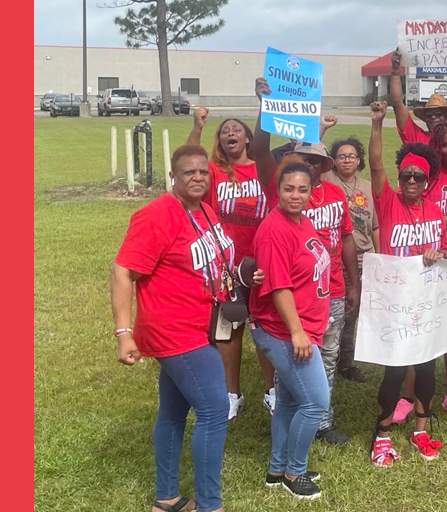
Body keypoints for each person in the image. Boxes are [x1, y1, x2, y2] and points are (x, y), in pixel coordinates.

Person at [111, 144, 240, 512]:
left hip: (202, 325)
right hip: (174, 330)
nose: (198, 177)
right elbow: (123, 271)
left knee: (172, 412)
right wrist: (123, 333)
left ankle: (166, 498)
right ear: (174, 177)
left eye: (203, 172)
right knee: (215, 411)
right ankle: (210, 505)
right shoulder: (157, 215)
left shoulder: (204, 211)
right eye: (189, 173)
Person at [252, 78, 361, 446]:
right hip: (298, 295)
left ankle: (322, 420)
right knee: (299, 363)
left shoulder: (334, 193)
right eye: (306, 159)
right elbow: (261, 151)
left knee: (327, 357)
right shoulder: (287, 194)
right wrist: (265, 106)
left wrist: (353, 282)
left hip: (333, 289)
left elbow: (346, 238)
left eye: (317, 161)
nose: (311, 167)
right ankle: (301, 415)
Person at [366, 101, 447, 466]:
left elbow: (444, 247)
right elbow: (375, 166)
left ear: (428, 180)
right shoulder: (388, 202)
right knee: (396, 368)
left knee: (429, 366)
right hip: (393, 299)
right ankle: (382, 433)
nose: (411, 182)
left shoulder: (434, 210)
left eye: (418, 177)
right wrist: (377, 123)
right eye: (406, 176)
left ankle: (420, 427)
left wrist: (438, 253)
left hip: (426, 300)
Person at [247, 160, 333, 500]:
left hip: (303, 327)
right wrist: (297, 331)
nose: (295, 195)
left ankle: (276, 467)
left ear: (311, 193)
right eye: (288, 189)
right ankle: (293, 473)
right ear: (277, 190)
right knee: (315, 404)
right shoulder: (274, 229)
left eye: (302, 189)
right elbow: (279, 286)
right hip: (283, 331)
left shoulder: (303, 220)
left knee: (287, 402)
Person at [186, 106, 277, 419]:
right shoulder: (214, 171)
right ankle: (232, 393)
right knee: (231, 328)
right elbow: (190, 160)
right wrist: (197, 126)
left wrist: (263, 103)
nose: (230, 134)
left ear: (248, 136)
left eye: (236, 129)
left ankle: (271, 390)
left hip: (262, 262)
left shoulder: (263, 169)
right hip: (227, 264)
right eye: (224, 131)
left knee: (265, 326)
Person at [322, 136, 378, 384]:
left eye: (352, 156)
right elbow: (311, 157)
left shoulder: (366, 186)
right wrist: (322, 130)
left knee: (353, 313)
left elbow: (374, 224)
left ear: (359, 160)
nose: (347, 160)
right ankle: (329, 361)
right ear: (333, 160)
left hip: (364, 258)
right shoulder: (326, 181)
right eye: (342, 156)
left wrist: (381, 253)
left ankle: (346, 361)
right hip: (336, 257)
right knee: (336, 313)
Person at [389, 47, 447, 157]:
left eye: (438, 114)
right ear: (425, 119)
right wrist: (395, 71)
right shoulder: (416, 138)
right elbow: (397, 104)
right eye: (429, 115)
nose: (433, 117)